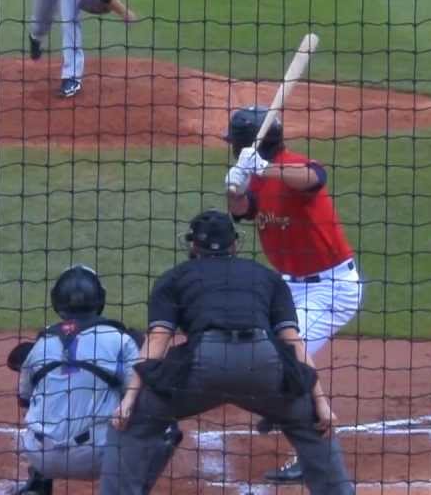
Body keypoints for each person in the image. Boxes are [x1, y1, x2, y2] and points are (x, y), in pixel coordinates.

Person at [99, 210, 357, 495]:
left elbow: (158, 340)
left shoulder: (174, 278)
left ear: (193, 246)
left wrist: (130, 400)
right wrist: (319, 402)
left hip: (202, 368)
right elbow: (292, 341)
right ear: (235, 244)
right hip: (263, 365)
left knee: (135, 423)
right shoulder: (266, 277)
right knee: (312, 423)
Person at [222, 105, 364, 483]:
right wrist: (234, 188)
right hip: (287, 287)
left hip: (330, 288)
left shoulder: (293, 167)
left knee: (289, 357)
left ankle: (312, 454)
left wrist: (264, 168)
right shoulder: (254, 176)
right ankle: (280, 395)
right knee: (258, 347)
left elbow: (314, 178)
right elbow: (242, 211)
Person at [6, 265, 179, 495]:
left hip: (41, 456)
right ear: (100, 299)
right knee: (165, 423)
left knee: (44, 401)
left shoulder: (41, 343)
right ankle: (130, 491)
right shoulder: (121, 339)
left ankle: (38, 486)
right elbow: (141, 393)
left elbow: (25, 399)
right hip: (97, 458)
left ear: (56, 301)